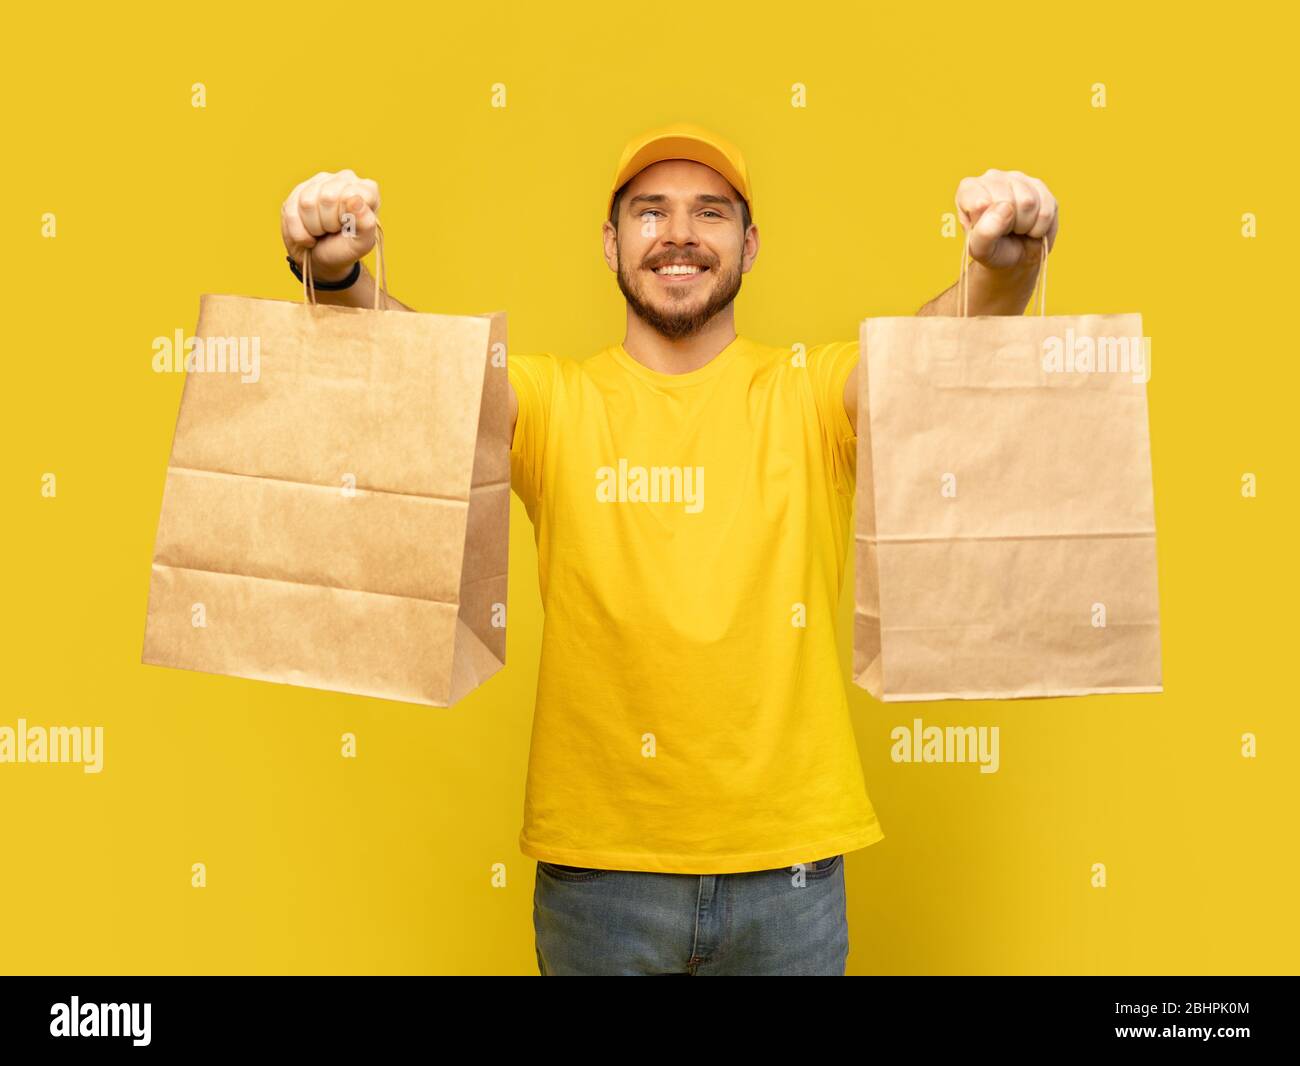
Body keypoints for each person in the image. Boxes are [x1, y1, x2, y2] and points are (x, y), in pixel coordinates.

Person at [278, 123, 1059, 975]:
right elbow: (424, 379)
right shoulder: (552, 400)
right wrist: (338, 273)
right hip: (598, 878)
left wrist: (1002, 265)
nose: (679, 234)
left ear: (750, 245)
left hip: (790, 872)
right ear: (609, 243)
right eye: (650, 212)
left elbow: (930, 361)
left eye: (710, 213)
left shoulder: (807, 389)